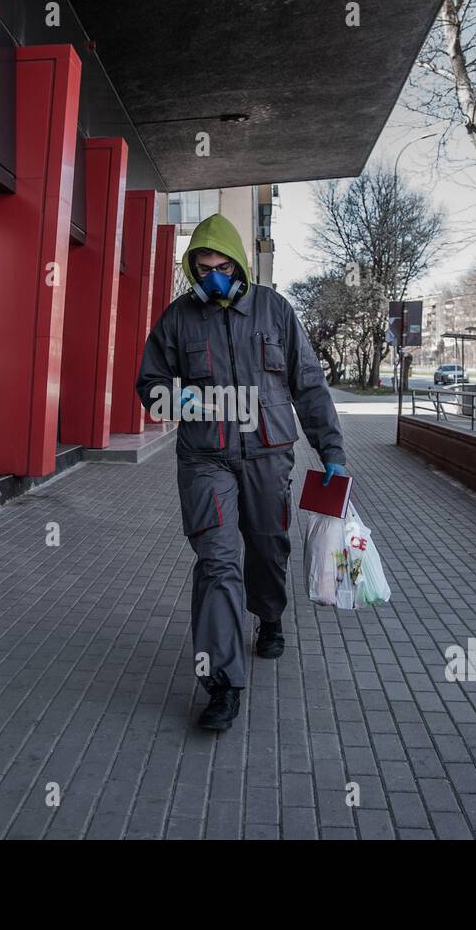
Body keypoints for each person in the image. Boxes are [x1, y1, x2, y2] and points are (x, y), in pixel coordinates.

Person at [136, 213, 347, 731]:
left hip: (269, 453)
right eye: (202, 266)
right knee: (216, 561)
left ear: (239, 264)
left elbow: (309, 385)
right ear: (192, 268)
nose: (213, 275)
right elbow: (149, 383)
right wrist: (179, 397)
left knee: (269, 543)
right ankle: (222, 683)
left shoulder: (275, 311)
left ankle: (270, 614)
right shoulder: (179, 318)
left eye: (221, 265)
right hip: (206, 457)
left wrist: (332, 450)